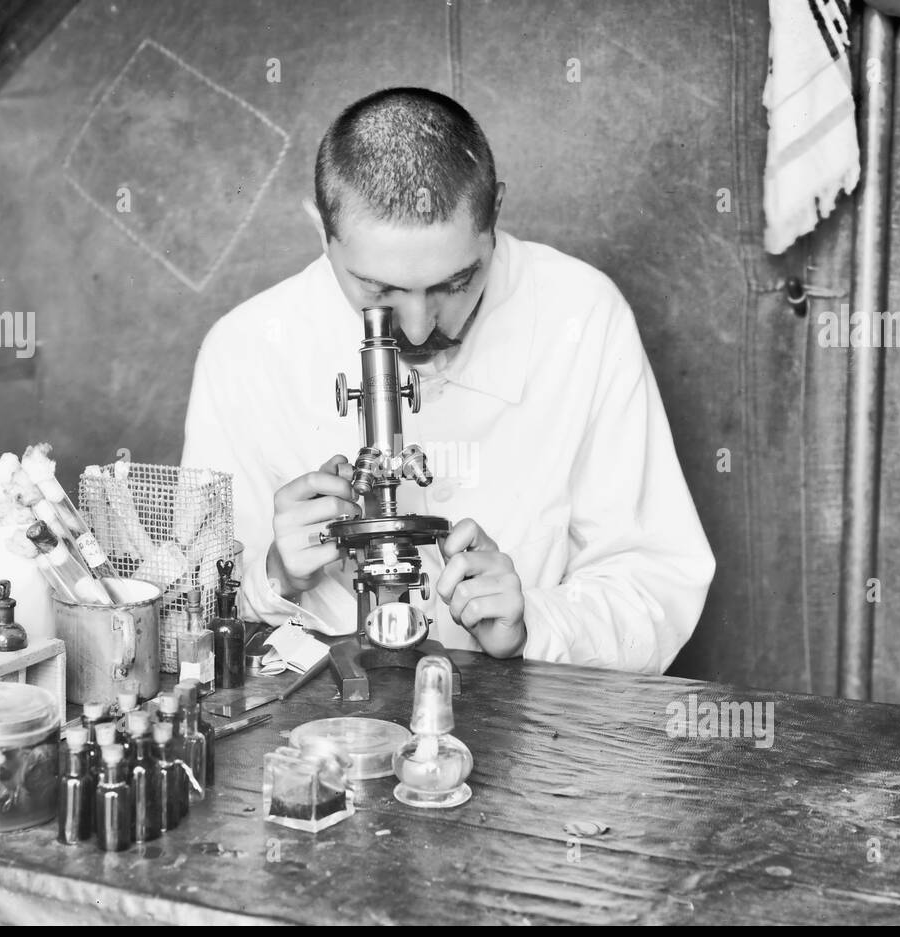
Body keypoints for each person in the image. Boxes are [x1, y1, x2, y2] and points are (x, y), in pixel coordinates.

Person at [183, 87, 713, 672]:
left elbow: (656, 584)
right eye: (379, 290)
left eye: (454, 284)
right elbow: (191, 619)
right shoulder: (245, 351)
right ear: (321, 228)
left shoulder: (580, 315)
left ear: (496, 212)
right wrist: (274, 576)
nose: (414, 329)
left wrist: (533, 623)